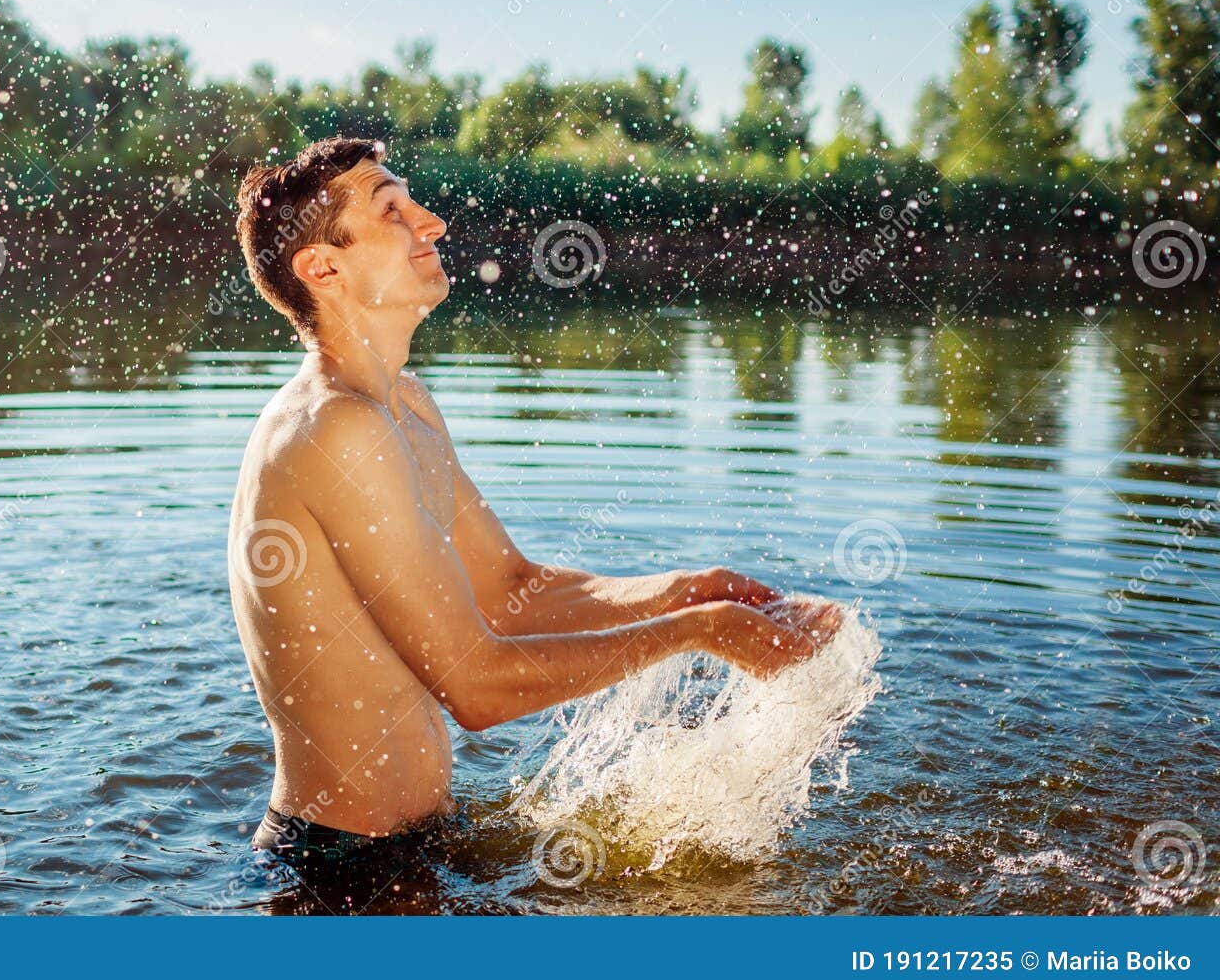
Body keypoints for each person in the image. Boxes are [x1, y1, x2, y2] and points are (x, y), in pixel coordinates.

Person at [228, 137, 841, 866]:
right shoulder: (334, 428)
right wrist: (695, 633)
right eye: (392, 209)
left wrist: (690, 592)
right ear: (323, 267)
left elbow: (511, 590)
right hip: (339, 870)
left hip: (420, 845)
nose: (432, 223)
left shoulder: (405, 407)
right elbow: (476, 687)